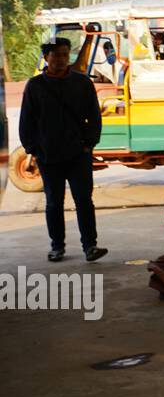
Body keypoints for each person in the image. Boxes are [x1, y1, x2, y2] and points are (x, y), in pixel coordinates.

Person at [19, 38, 107, 263]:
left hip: (78, 154)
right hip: (48, 156)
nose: (61, 59)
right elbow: (26, 122)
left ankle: (90, 246)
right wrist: (34, 150)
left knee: (84, 201)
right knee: (53, 203)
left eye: (65, 54)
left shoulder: (82, 83)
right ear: (46, 57)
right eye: (56, 55)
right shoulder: (35, 86)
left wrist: (89, 144)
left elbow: (94, 117)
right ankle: (57, 247)